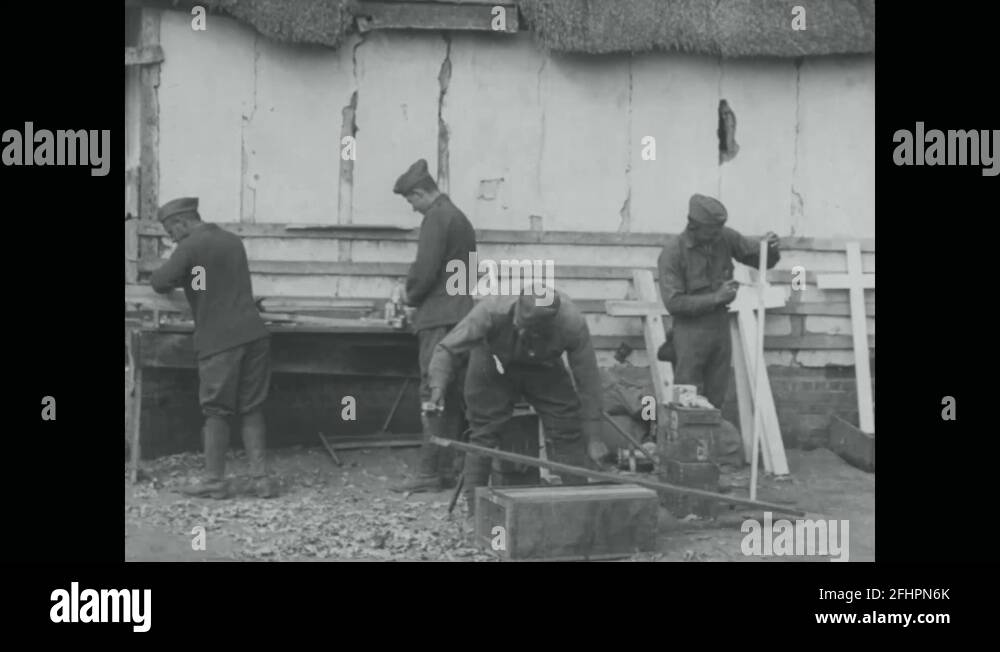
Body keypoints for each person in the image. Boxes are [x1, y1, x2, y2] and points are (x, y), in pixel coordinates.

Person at [424, 287, 602, 518]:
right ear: (516, 308)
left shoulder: (572, 323)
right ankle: (476, 513)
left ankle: (579, 508)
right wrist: (437, 387)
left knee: (566, 428)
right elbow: (447, 349)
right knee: (483, 434)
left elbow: (588, 379)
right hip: (494, 363)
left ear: (549, 325)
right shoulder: (490, 310)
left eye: (531, 331)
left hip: (544, 367)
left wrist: (595, 435)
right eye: (519, 326)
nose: (522, 332)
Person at [149, 197, 276, 499]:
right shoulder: (233, 241)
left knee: (216, 409)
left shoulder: (189, 246)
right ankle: (261, 480)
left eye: (171, 231)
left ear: (182, 222)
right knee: (252, 407)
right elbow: (211, 279)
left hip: (220, 340)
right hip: (255, 334)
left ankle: (214, 482)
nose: (172, 237)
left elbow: (160, 282)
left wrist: (169, 265)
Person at [389, 159, 477, 493]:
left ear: (421, 192)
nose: (412, 208)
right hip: (461, 315)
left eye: (411, 200)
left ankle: (428, 472)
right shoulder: (461, 219)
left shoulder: (436, 218)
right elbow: (465, 275)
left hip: (438, 319)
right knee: (453, 395)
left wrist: (409, 295)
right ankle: (451, 470)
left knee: (432, 391)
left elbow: (424, 270)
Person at [657, 193, 780, 411]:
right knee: (686, 400)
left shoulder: (724, 237)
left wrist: (769, 248)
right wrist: (716, 297)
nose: (717, 234)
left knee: (716, 399)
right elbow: (673, 303)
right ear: (694, 226)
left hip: (719, 329)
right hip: (689, 333)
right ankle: (687, 444)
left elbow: (758, 259)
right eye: (711, 230)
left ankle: (710, 443)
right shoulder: (672, 253)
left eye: (719, 228)